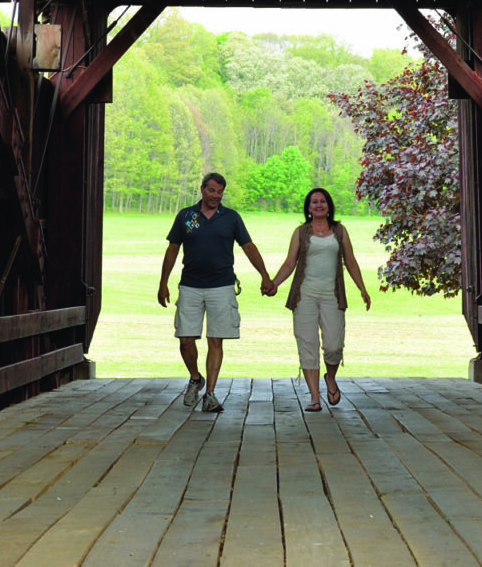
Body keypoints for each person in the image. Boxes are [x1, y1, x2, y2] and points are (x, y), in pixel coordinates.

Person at [158, 172, 271, 414]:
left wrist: (265, 275)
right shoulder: (187, 216)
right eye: (212, 191)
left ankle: (210, 393)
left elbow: (248, 247)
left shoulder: (231, 218)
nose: (216, 196)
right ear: (202, 190)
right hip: (190, 285)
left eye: (220, 192)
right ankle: (195, 378)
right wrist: (163, 283)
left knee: (216, 339)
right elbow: (172, 250)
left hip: (222, 285)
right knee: (186, 339)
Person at [263, 186, 372, 412]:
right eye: (314, 202)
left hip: (332, 296)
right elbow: (290, 263)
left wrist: (362, 288)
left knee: (333, 346)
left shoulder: (340, 231)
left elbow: (350, 261)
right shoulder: (301, 232)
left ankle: (330, 378)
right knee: (307, 345)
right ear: (309, 207)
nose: (319, 205)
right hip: (305, 296)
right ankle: (314, 397)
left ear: (329, 206)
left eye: (323, 201)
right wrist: (273, 283)